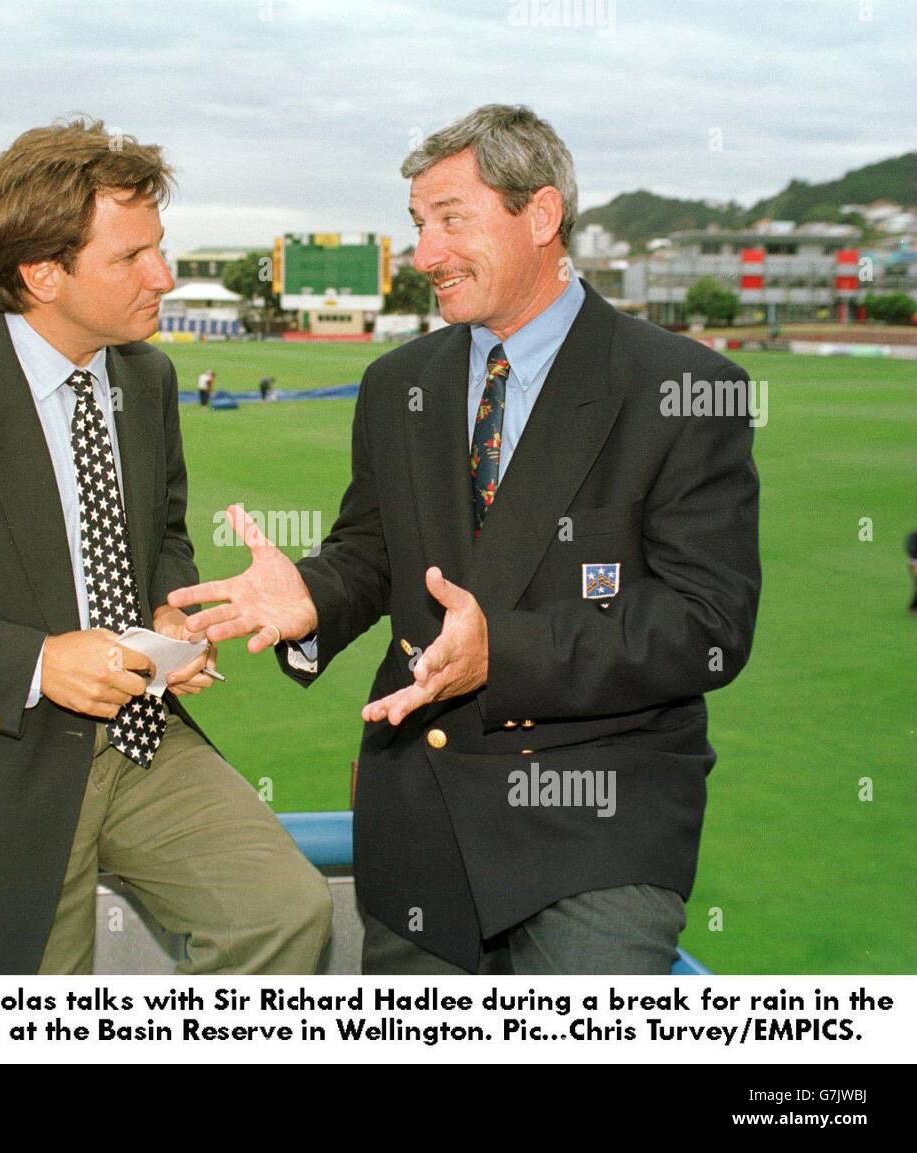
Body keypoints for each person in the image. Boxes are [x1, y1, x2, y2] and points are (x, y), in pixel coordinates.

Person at [170, 104, 760, 975]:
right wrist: (309, 597)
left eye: (451, 220)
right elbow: (371, 553)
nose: (425, 256)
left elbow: (708, 623)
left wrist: (504, 652)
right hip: (423, 821)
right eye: (417, 225)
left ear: (543, 216)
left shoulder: (682, 388)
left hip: (594, 824)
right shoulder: (398, 384)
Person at [0, 119, 331, 976]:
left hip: (140, 739)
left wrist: (165, 612)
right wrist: (40, 662)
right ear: (42, 273)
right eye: (130, 258)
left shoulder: (145, 376)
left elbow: (160, 530)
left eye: (160, 247)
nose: (164, 276)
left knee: (285, 914)